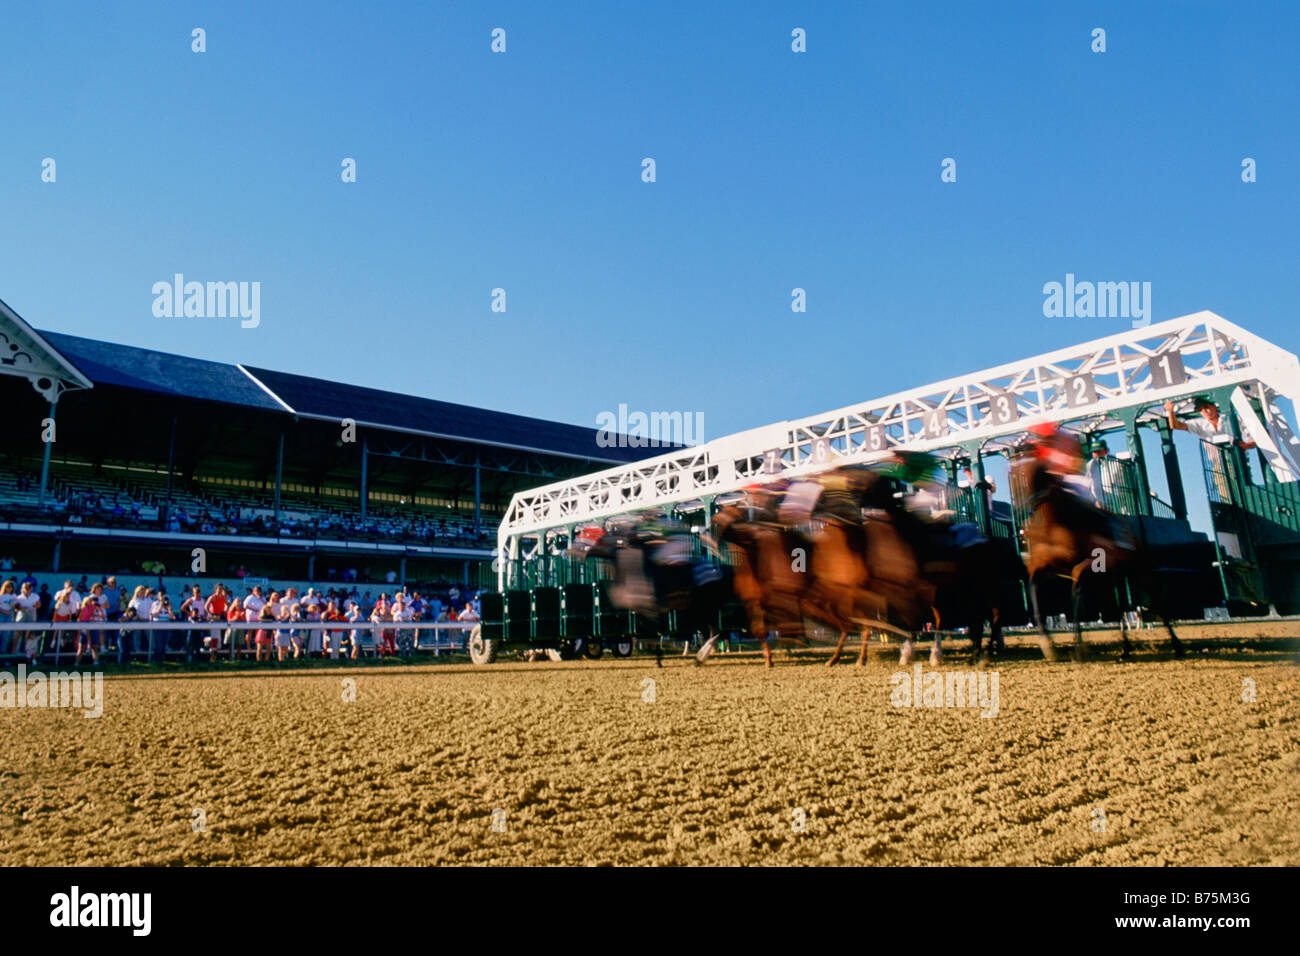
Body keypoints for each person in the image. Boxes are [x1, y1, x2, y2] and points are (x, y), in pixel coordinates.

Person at [1165, 397, 1255, 502]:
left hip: (1238, 462)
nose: (1204, 411)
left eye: (1206, 407)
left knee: (1243, 492)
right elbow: (1175, 425)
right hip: (1218, 465)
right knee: (1226, 496)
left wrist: (1246, 446)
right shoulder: (1199, 424)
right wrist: (1170, 411)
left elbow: (1254, 439)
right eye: (1201, 409)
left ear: (1214, 406)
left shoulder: (1232, 418)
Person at [13, 580, 41, 663]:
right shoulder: (18, 597)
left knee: (29, 635)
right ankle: (14, 652)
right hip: (21, 615)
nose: (28, 590)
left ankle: (27, 653)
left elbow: (39, 605)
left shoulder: (35, 596)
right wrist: (21, 608)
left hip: (31, 614)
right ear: (23, 589)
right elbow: (15, 609)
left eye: (29, 588)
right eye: (26, 588)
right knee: (18, 633)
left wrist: (34, 605)